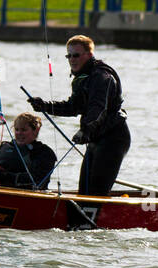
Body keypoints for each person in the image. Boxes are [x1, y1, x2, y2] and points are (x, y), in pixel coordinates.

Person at [28, 34, 130, 196]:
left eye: (76, 55)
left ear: (89, 55)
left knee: (96, 192)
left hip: (113, 139)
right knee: (84, 191)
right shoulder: (83, 78)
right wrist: (45, 106)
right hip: (95, 138)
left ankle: (95, 217)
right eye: (69, 56)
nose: (72, 59)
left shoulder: (102, 77)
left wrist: (85, 130)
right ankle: (77, 218)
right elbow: (73, 107)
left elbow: (98, 109)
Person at [0, 113, 56, 189]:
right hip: (0, 190)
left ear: (35, 130)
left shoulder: (45, 153)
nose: (19, 133)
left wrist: (4, 176)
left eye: (24, 130)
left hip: (29, 195)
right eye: (17, 129)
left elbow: (38, 179)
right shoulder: (1, 148)